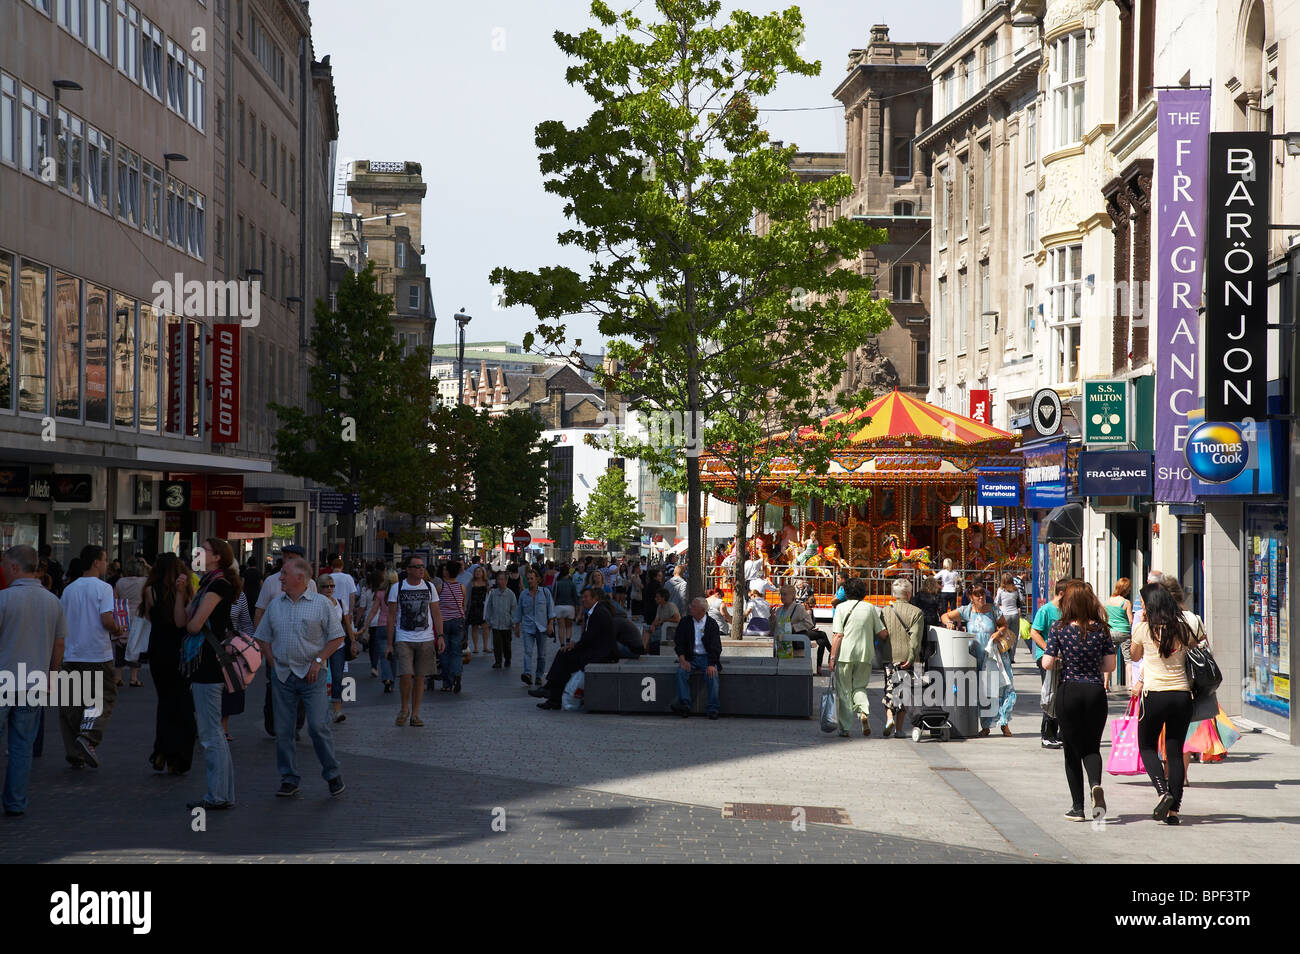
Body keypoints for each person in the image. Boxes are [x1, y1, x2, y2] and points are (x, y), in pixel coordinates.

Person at [254, 557, 347, 799]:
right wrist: (271, 661)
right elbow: (263, 635)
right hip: (283, 676)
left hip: (312, 676)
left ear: (300, 578)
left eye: (284, 574)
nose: (280, 578)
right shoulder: (276, 605)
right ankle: (289, 778)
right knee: (283, 730)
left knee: (318, 726)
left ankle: (332, 773)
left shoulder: (321, 604)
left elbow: (337, 637)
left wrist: (319, 661)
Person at [0, 545, 67, 816]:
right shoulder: (53, 601)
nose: (3, 570)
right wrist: (52, 674)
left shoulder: (3, 599)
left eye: (5, 565)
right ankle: (16, 801)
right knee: (22, 745)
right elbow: (59, 644)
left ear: (15, 567)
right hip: (35, 682)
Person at [175, 538, 240, 810]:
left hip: (208, 664)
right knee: (213, 732)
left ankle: (218, 794)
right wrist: (181, 592)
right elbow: (181, 621)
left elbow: (194, 626)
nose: (198, 553)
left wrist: (192, 614)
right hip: (203, 663)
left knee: (211, 733)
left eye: (204, 550)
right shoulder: (206, 585)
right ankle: (222, 793)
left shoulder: (218, 585)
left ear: (217, 557)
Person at [1043, 583, 1116, 822]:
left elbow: (1047, 662)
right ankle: (1095, 784)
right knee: (1092, 746)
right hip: (1095, 692)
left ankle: (1078, 808)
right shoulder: (1102, 629)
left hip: (1070, 691)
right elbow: (1109, 666)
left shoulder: (1059, 628)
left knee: (1072, 751)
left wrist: (1061, 660)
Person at [1128, 583, 1195, 825]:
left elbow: (1134, 656)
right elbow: (1197, 647)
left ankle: (1162, 791)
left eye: (1143, 603)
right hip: (1181, 695)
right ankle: (1174, 811)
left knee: (1146, 746)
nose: (1141, 607)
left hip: (1154, 695)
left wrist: (1141, 626)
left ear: (1150, 605)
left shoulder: (1144, 629)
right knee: (1175, 751)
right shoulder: (1185, 627)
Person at [58, 545, 122, 769]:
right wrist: (118, 630)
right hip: (96, 654)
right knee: (104, 698)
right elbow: (106, 619)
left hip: (72, 653)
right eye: (105, 560)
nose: (107, 564)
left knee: (71, 704)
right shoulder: (103, 588)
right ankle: (89, 736)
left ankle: (74, 752)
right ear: (96, 562)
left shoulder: (69, 589)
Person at [532, 587, 620, 709]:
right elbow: (590, 638)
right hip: (596, 650)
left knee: (565, 656)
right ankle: (552, 694)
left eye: (586, 597)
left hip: (602, 654)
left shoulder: (599, 612)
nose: (583, 600)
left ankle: (551, 692)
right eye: (582, 597)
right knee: (564, 655)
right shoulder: (595, 612)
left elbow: (590, 638)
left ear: (595, 599)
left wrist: (575, 646)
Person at [386, 555, 445, 726]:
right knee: (405, 674)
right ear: (409, 569)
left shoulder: (429, 587)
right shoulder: (397, 588)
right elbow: (391, 617)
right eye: (417, 567)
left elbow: (436, 613)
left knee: (420, 677)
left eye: (422, 566)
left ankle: (415, 714)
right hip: (404, 637)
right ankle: (404, 708)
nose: (421, 569)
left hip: (426, 638)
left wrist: (440, 636)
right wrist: (389, 644)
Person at [829, 577, 887, 737]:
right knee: (860, 687)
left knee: (845, 690)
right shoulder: (870, 608)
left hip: (845, 654)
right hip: (865, 653)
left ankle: (845, 728)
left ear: (846, 592)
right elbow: (882, 633)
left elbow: (838, 635)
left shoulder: (840, 608)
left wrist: (832, 657)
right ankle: (862, 712)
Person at [880, 579, 925, 738]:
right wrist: (912, 657)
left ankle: (889, 718)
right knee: (908, 691)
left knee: (890, 688)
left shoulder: (885, 611)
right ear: (908, 594)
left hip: (890, 655)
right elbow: (915, 638)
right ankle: (899, 730)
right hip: (911, 658)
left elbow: (881, 634)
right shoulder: (917, 612)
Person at [1030, 579, 1069, 750]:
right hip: (1047, 659)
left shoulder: (1068, 610)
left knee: (1062, 696)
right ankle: (1047, 734)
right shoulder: (1046, 610)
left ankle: (1061, 733)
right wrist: (1049, 649)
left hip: (1063, 659)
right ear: (1061, 594)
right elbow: (1034, 632)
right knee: (1051, 694)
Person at [669, 597, 723, 718]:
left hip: (706, 657)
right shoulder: (685, 622)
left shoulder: (711, 624)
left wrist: (711, 664)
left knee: (712, 676)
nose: (690, 608)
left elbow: (716, 647)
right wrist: (682, 660)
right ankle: (685, 704)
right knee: (681, 673)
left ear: (702, 610)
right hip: (690, 656)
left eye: (693, 606)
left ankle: (713, 708)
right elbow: (679, 642)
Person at [317, 574, 358, 723]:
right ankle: (320, 710)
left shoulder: (340, 601)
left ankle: (337, 711)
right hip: (319, 647)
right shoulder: (315, 602)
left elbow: (346, 624)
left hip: (338, 645)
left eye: (332, 586)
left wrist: (353, 641)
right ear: (318, 588)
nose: (329, 589)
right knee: (319, 678)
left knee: (337, 677)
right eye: (325, 586)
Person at [512, 567, 555, 687]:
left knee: (541, 654)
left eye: (532, 579)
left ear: (538, 580)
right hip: (528, 627)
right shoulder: (523, 594)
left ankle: (539, 676)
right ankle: (527, 674)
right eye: (528, 579)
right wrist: (516, 625)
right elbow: (519, 610)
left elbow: (550, 610)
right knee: (528, 652)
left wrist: (550, 624)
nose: (530, 581)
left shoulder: (545, 592)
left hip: (542, 627)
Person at [980, 616, 1017, 737]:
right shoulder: (968, 610)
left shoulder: (993, 610)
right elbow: (945, 616)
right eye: (977, 595)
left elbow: (1004, 625)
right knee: (985, 691)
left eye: (982, 595)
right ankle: (985, 726)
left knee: (1004, 687)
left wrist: (998, 632)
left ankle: (1004, 723)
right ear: (971, 596)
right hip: (979, 656)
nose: (980, 597)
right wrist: (949, 622)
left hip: (998, 654)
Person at [115, 559, 149, 687]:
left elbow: (115, 599)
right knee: (135, 646)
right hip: (138, 616)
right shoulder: (144, 582)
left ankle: (117, 677)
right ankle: (134, 678)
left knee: (120, 646)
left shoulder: (120, 582)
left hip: (122, 616)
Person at [364, 569, 398, 692]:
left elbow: (373, 611)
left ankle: (387, 678)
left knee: (384, 656)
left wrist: (365, 625)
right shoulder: (399, 592)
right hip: (396, 627)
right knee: (393, 656)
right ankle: (392, 680)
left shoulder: (380, 593)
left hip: (382, 625)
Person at [437, 561, 467, 693]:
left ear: (447, 572)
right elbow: (463, 605)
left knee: (444, 652)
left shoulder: (440, 588)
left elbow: (435, 606)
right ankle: (457, 673)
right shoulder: (462, 587)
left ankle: (447, 682)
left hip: (443, 622)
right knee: (456, 651)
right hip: (458, 621)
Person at [1104, 578, 1134, 692]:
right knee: (1128, 659)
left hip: (1110, 632)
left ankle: (1106, 684)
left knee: (1109, 657)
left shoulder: (1108, 601)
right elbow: (1130, 619)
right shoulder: (1126, 603)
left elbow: (1105, 617)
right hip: (1124, 632)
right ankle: (1131, 683)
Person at [484, 571, 517, 669]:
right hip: (495, 623)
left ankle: (507, 659)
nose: (501, 581)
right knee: (497, 643)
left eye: (503, 579)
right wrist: (488, 620)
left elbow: (514, 609)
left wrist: (514, 622)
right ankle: (498, 661)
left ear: (506, 581)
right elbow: (489, 607)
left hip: (507, 623)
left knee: (507, 644)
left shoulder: (511, 594)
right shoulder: (493, 593)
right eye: (499, 579)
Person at [993, 573, 1024, 665]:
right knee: (1013, 636)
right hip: (1014, 614)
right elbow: (1022, 599)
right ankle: (1011, 657)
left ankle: (1004, 654)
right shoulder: (1016, 590)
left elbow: (996, 602)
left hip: (1004, 614)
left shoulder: (1001, 590)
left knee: (1004, 636)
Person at [551, 565, 580, 648]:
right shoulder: (571, 584)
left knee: (561, 628)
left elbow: (554, 596)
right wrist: (577, 608)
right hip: (570, 607)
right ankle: (567, 642)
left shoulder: (557, 583)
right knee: (569, 627)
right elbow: (575, 597)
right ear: (568, 573)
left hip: (559, 607)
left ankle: (562, 645)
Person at [466, 565, 490, 654]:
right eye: (476, 572)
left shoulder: (486, 583)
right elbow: (468, 595)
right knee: (474, 627)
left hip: (484, 607)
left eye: (479, 571)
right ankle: (476, 647)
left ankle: (485, 646)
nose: (478, 573)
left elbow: (489, 594)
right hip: (474, 607)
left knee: (485, 627)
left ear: (483, 573)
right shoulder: (471, 583)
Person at [327, 556, 358, 620]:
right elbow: (352, 596)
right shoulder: (348, 578)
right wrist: (351, 612)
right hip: (345, 612)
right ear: (342, 567)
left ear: (332, 567)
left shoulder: (328, 578)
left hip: (331, 611)